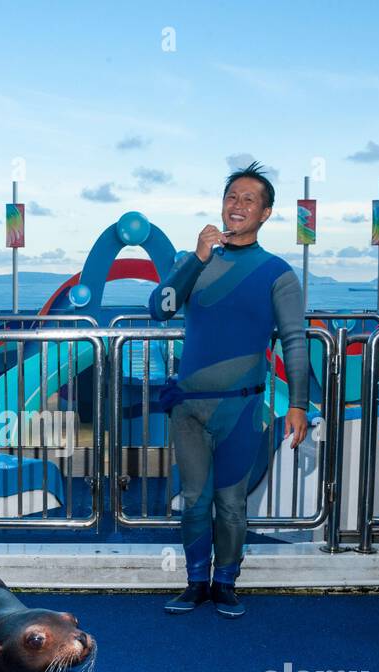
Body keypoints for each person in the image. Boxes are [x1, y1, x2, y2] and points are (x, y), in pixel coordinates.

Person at [149, 162, 310, 618]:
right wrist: (196, 259)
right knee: (194, 500)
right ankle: (195, 581)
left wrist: (297, 404)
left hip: (242, 408)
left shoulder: (277, 273)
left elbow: (295, 339)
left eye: (248, 200)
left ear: (265, 213)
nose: (237, 206)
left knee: (231, 502)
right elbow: (159, 308)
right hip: (189, 409)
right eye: (231, 197)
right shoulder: (195, 262)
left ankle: (226, 582)